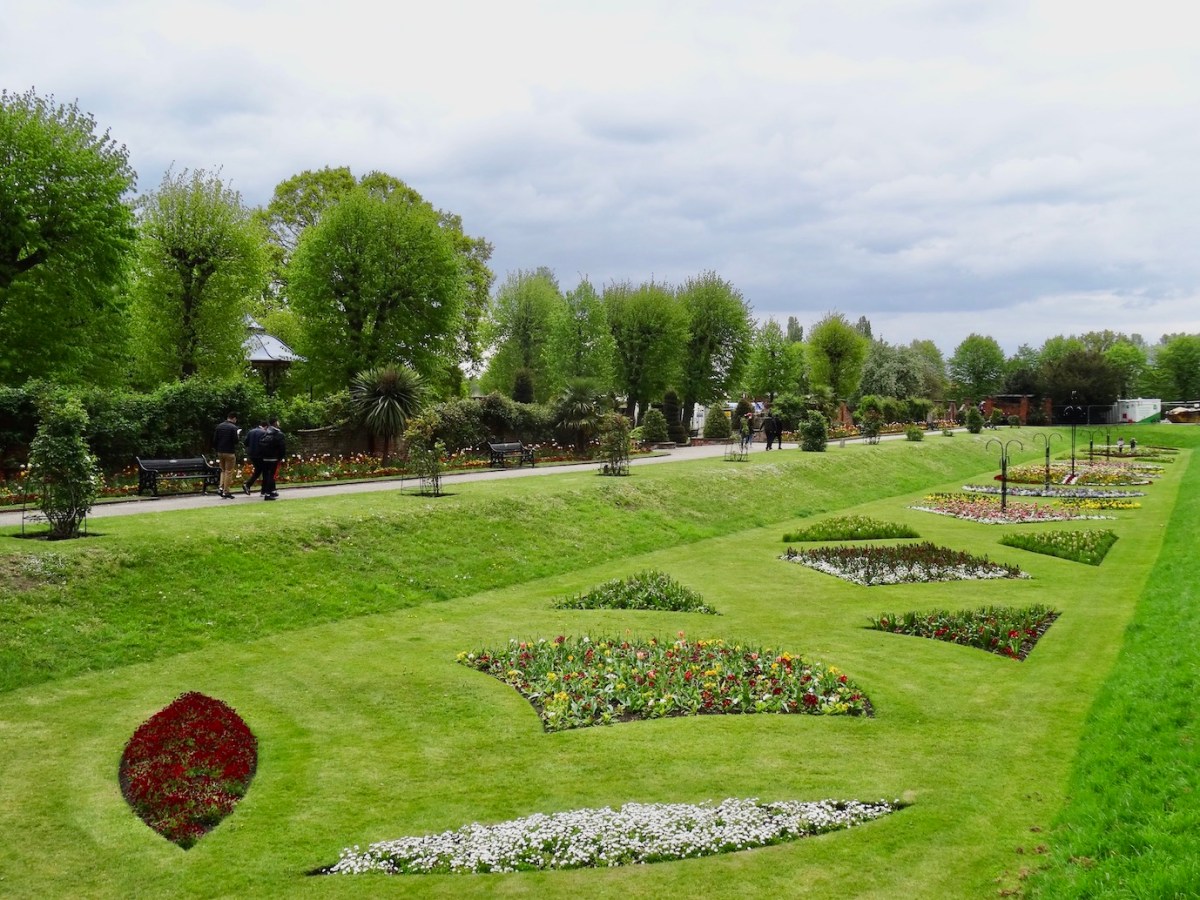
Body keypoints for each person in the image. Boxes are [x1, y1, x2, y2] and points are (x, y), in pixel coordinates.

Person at [213, 413, 240, 499]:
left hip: (220, 452)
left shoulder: (219, 426)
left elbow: (215, 440)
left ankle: (220, 487)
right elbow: (236, 441)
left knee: (223, 470)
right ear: (234, 418)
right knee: (229, 471)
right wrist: (238, 435)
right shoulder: (233, 428)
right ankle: (226, 491)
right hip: (229, 452)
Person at [259, 418, 286, 500]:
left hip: (265, 457)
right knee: (272, 476)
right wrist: (281, 457)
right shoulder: (278, 434)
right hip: (274, 457)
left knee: (267, 475)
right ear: (275, 423)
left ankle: (269, 491)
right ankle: (268, 493)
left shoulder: (265, 432)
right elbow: (282, 447)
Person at [242, 419, 268, 495]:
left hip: (252, 455)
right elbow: (265, 444)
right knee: (265, 472)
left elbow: (245, 443)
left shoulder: (251, 431)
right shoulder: (264, 432)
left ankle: (248, 484)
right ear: (265, 426)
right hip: (261, 455)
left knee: (258, 471)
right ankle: (264, 490)